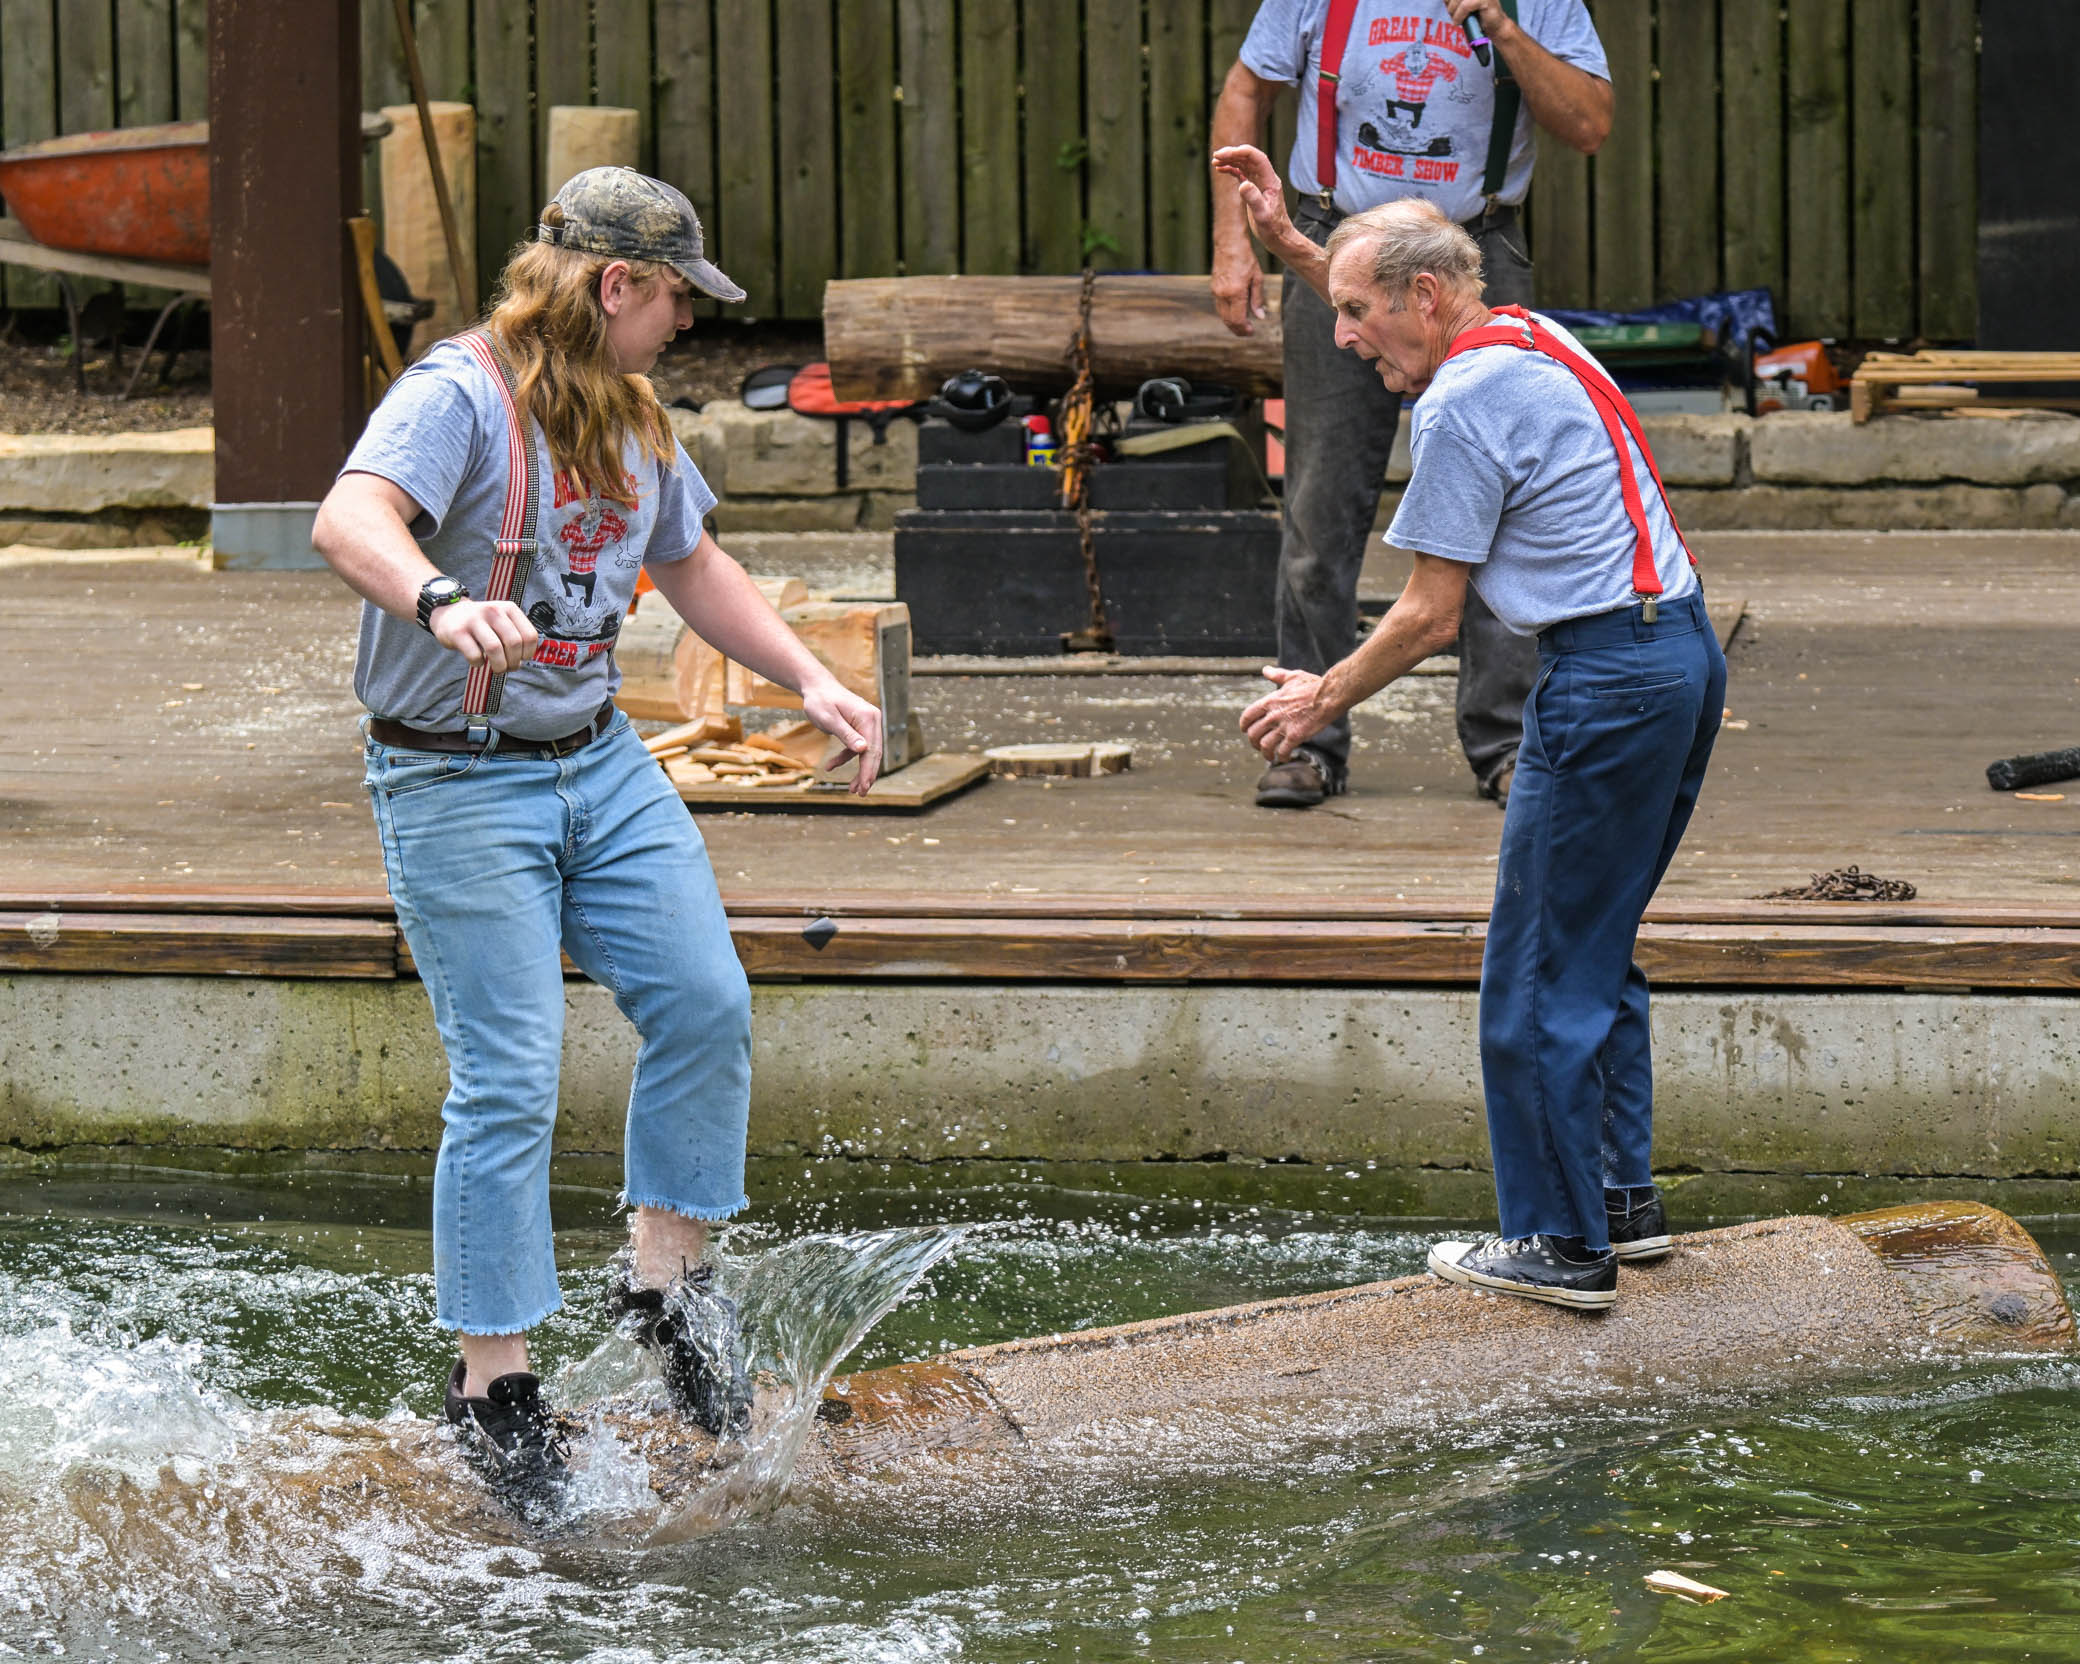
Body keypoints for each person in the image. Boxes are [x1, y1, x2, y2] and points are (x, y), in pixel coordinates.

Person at [312, 168, 884, 1508]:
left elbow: (691, 564)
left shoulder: (633, 411)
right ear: (615, 283)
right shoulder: (457, 396)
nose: (686, 319)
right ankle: (493, 1386)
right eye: (676, 295)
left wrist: (808, 676)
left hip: (601, 764)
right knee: (509, 1079)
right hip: (456, 779)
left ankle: (665, 1288)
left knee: (703, 999)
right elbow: (349, 519)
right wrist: (442, 600)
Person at [1215, 143, 1724, 1312]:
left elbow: (1430, 614)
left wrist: (1320, 696)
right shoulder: (1531, 335)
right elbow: (1381, 287)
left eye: (1356, 313)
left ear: (1424, 296)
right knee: (1593, 941)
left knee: (1534, 968)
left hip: (1605, 682)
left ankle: (1560, 1244)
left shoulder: (1458, 403)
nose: (1343, 338)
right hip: (1679, 656)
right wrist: (1294, 245)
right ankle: (1619, 1201)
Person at [1210, 0, 1612, 809]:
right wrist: (1233, 240)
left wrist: (1502, 28)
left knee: (1503, 504)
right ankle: (1307, 737)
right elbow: (1244, 91)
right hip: (1337, 243)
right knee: (1319, 506)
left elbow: (1589, 124)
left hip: (1474, 251)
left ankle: (1508, 743)